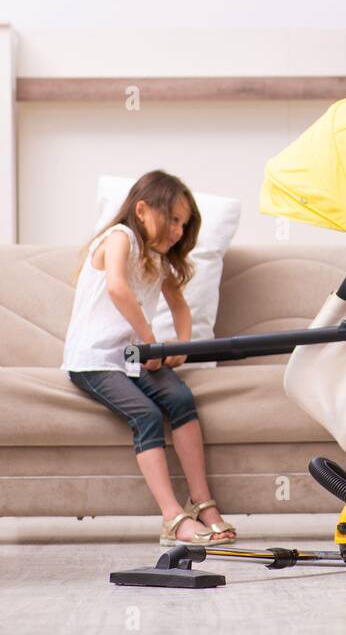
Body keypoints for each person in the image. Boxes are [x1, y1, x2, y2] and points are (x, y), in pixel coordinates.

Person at [63, 170, 236, 547]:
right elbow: (117, 287)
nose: (177, 230)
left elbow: (179, 305)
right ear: (141, 209)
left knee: (181, 399)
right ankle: (172, 517)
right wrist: (150, 339)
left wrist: (183, 344)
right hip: (92, 359)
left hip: (130, 358)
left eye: (184, 224)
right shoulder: (119, 238)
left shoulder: (158, 260)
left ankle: (202, 502)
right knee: (145, 414)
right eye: (173, 219)